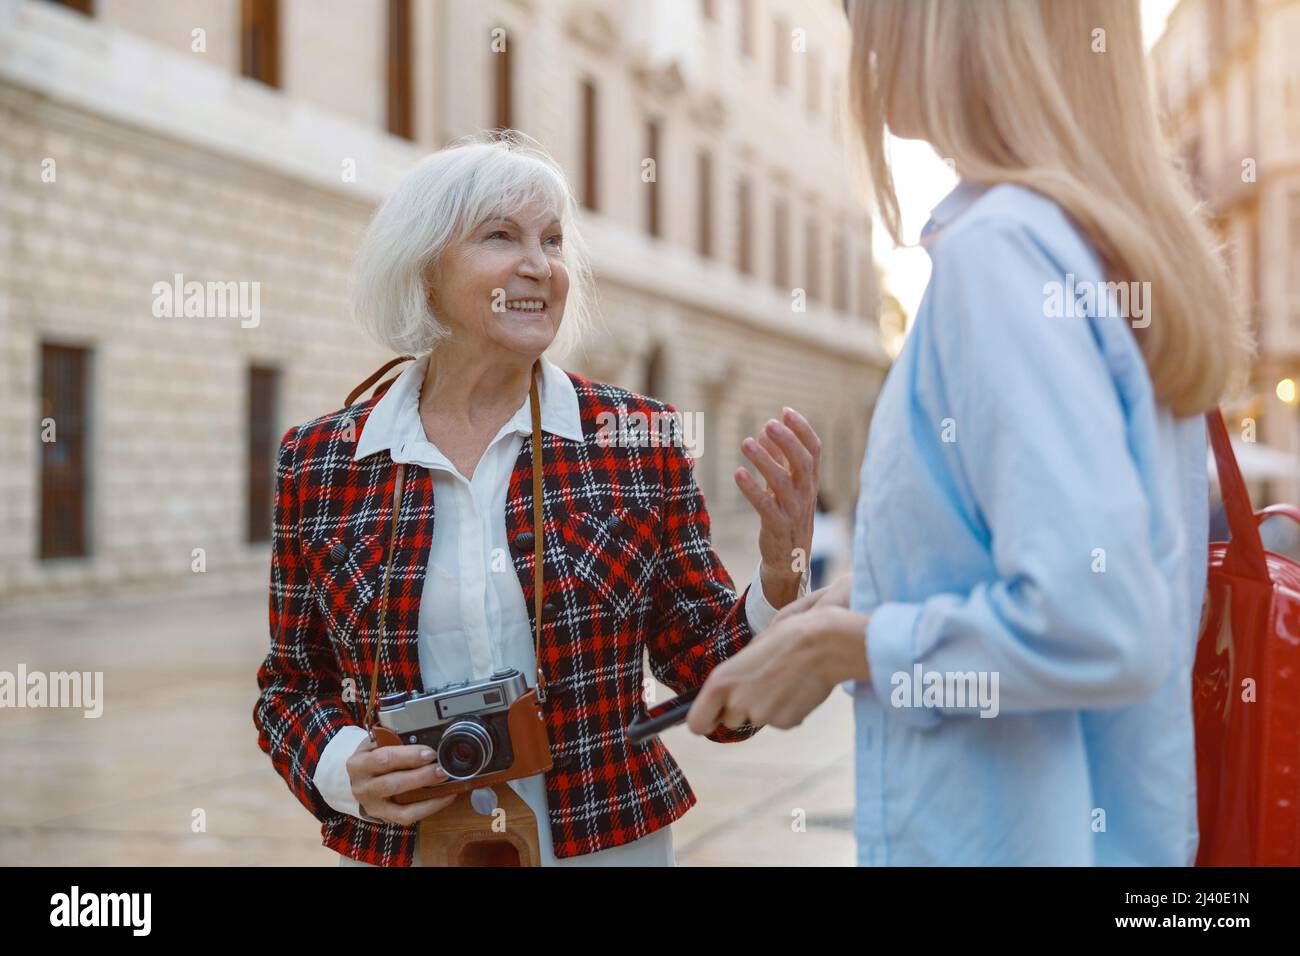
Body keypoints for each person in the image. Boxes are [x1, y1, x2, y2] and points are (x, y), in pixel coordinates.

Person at [687, 0, 1252, 866]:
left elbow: (1100, 623)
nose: (857, 34)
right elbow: (1049, 571)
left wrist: (852, 647)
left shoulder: (1003, 252)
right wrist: (864, 598)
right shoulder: (1087, 243)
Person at [252, 131, 818, 866]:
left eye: (552, 240)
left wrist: (779, 579)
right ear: (423, 269)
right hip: (411, 849)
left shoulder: (636, 437)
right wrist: (343, 767)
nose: (538, 264)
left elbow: (716, 693)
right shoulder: (321, 461)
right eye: (500, 236)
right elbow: (291, 686)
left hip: (605, 848)